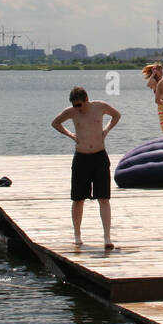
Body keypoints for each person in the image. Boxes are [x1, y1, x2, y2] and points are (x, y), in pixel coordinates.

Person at [50, 86, 121, 250]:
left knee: (103, 197)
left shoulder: (100, 107)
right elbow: (55, 123)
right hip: (81, 157)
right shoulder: (71, 112)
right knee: (78, 199)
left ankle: (107, 237)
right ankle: (77, 235)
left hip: (99, 156)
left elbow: (117, 115)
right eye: (75, 105)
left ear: (86, 99)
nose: (77, 108)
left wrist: (106, 130)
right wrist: (71, 135)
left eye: (79, 105)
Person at [141, 62, 163, 134]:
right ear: (155, 72)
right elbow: (148, 84)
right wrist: (153, 74)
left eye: (162, 70)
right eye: (159, 70)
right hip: (162, 106)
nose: (161, 72)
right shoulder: (154, 81)